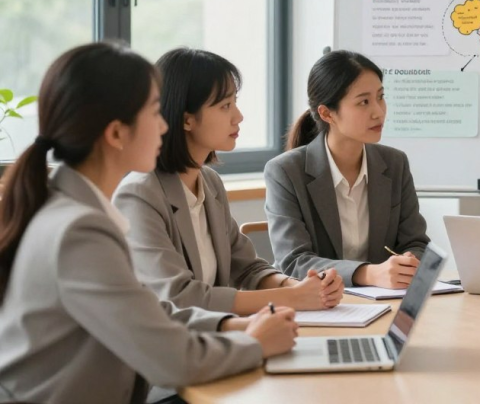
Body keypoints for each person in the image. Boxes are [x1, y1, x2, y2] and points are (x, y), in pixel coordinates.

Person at [0, 42, 297, 404]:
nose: (164, 124)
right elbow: (172, 361)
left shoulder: (77, 213)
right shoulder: (79, 231)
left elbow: (151, 313)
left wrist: (234, 325)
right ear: (116, 133)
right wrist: (254, 342)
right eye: (155, 112)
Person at [115, 48, 343, 314]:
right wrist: (292, 298)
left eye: (235, 102)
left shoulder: (209, 182)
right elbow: (179, 297)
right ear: (187, 119)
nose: (238, 116)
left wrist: (298, 286)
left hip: (217, 336)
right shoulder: (139, 195)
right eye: (225, 106)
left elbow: (248, 267)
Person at [265, 50, 429, 289]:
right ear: (326, 113)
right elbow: (294, 261)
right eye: (364, 102)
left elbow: (417, 243)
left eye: (380, 97)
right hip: (321, 306)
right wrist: (368, 274)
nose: (379, 111)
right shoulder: (285, 171)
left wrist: (410, 262)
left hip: (386, 302)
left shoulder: (395, 164)